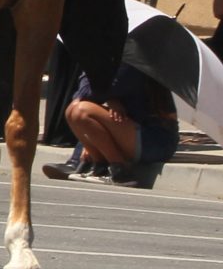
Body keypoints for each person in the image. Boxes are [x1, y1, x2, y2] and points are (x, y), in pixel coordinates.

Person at [49, 64, 178, 187]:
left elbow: (89, 92)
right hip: (136, 133)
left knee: (82, 110)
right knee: (72, 110)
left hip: (156, 142)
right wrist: (111, 99)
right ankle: (100, 167)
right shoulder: (123, 60)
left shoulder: (131, 66)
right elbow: (88, 92)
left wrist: (107, 95)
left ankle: (119, 171)